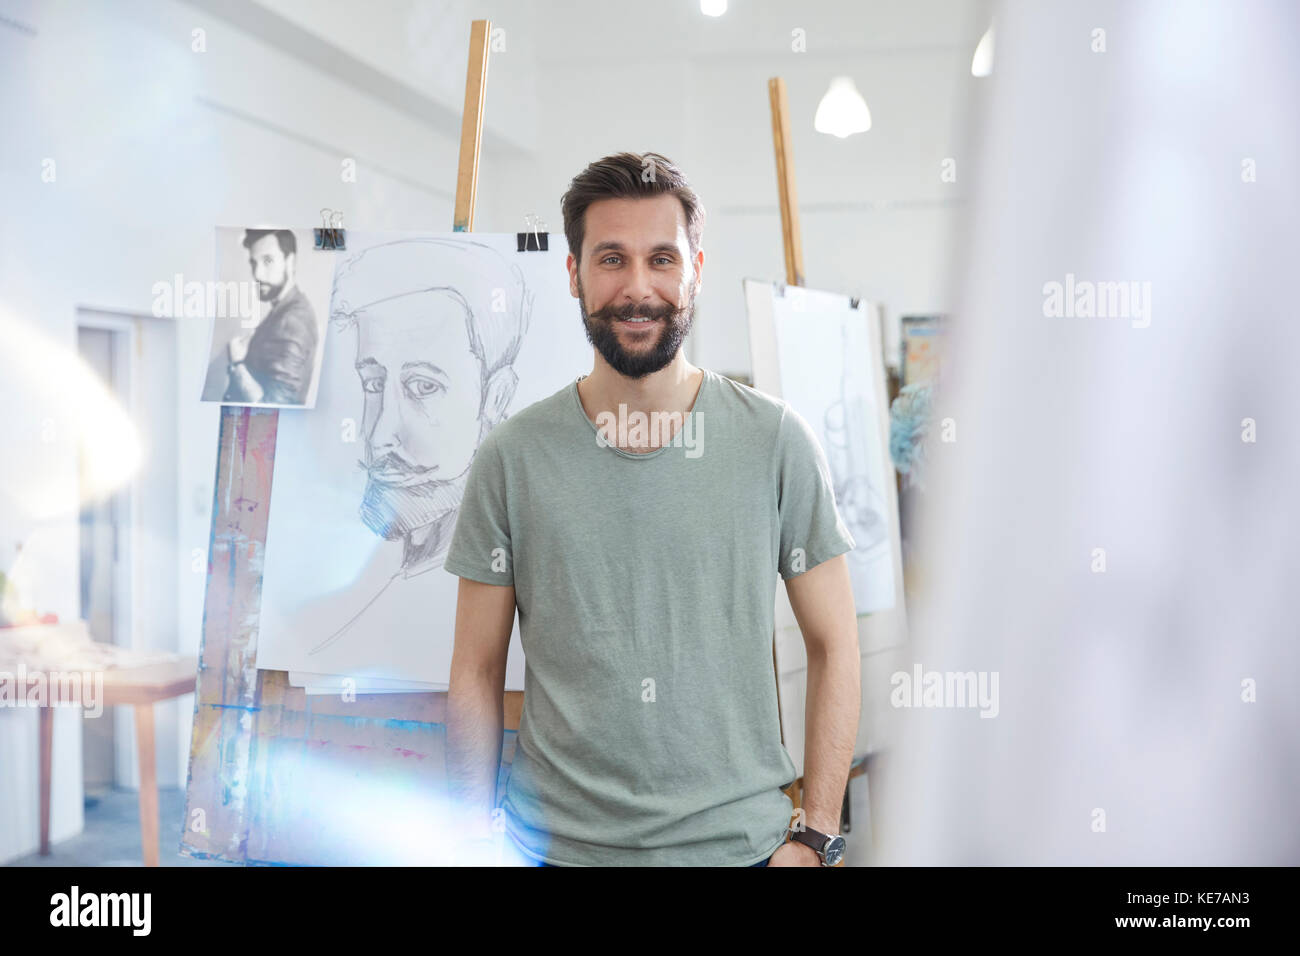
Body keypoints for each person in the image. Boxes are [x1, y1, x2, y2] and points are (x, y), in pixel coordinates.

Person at [444, 151, 861, 866]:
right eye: (611, 259)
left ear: (695, 268)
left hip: (740, 850)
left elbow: (836, 645)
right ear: (573, 273)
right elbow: (476, 672)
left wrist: (816, 835)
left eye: (661, 259)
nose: (638, 288)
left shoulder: (774, 441)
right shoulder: (511, 458)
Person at [307, 238, 530, 656]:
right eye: (373, 384)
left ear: (495, 398)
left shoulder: (522, 575)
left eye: (423, 386)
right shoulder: (349, 593)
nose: (379, 434)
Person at [223, 229, 318, 405]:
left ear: (290, 262)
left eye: (268, 261)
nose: (257, 274)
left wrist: (237, 364)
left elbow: (275, 407)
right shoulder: (284, 310)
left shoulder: (294, 320)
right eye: (253, 263)